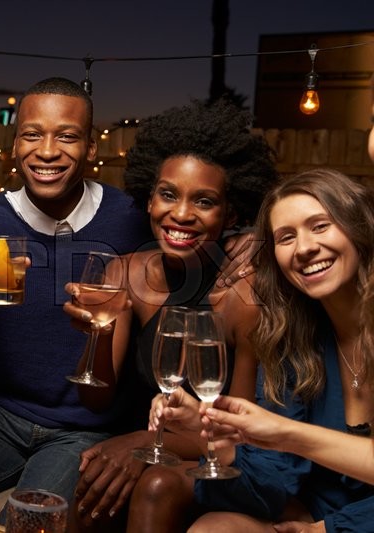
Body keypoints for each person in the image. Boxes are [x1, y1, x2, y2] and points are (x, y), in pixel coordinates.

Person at [0, 77, 152, 520]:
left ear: (91, 147)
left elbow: (194, 237)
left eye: (67, 136)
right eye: (32, 134)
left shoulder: (130, 219)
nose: (48, 151)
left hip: (85, 429)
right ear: (15, 143)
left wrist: (245, 244)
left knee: (25, 520)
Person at [65, 99, 278, 532]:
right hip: (128, 442)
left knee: (154, 482)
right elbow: (95, 398)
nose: (180, 214)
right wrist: (99, 333)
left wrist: (143, 442)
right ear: (149, 200)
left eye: (204, 201)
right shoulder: (122, 271)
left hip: (204, 458)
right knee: (86, 485)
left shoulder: (242, 297)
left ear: (230, 214)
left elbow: (239, 434)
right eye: (168, 195)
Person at [157, 169, 374, 532]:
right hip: (313, 516)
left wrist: (329, 528)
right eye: (286, 237)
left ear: (359, 227)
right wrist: (216, 434)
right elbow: (272, 484)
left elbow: (283, 437)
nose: (304, 248)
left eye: (320, 226)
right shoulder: (295, 342)